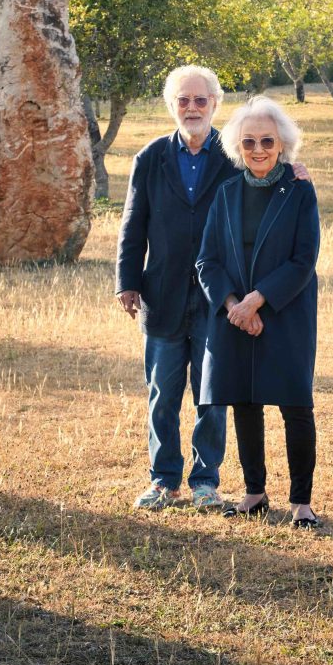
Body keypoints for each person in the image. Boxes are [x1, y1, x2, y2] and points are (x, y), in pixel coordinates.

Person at [196, 95, 323, 528]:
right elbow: (207, 260)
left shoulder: (300, 190)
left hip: (285, 313)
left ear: (282, 143)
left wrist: (258, 299)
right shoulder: (226, 193)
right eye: (248, 142)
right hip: (236, 317)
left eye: (267, 141)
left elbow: (304, 259)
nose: (258, 150)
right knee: (244, 402)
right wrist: (235, 306)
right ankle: (255, 493)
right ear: (238, 146)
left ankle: (301, 503)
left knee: (295, 405)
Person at [114, 65, 236, 511]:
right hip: (161, 294)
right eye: (183, 100)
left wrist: (297, 170)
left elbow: (270, 176)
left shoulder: (235, 154)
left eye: (200, 100)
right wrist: (127, 281)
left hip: (217, 296)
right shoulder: (150, 157)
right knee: (162, 395)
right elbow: (133, 225)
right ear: (171, 105)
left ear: (215, 104)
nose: (192, 108)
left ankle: (205, 481)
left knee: (211, 396)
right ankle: (164, 480)